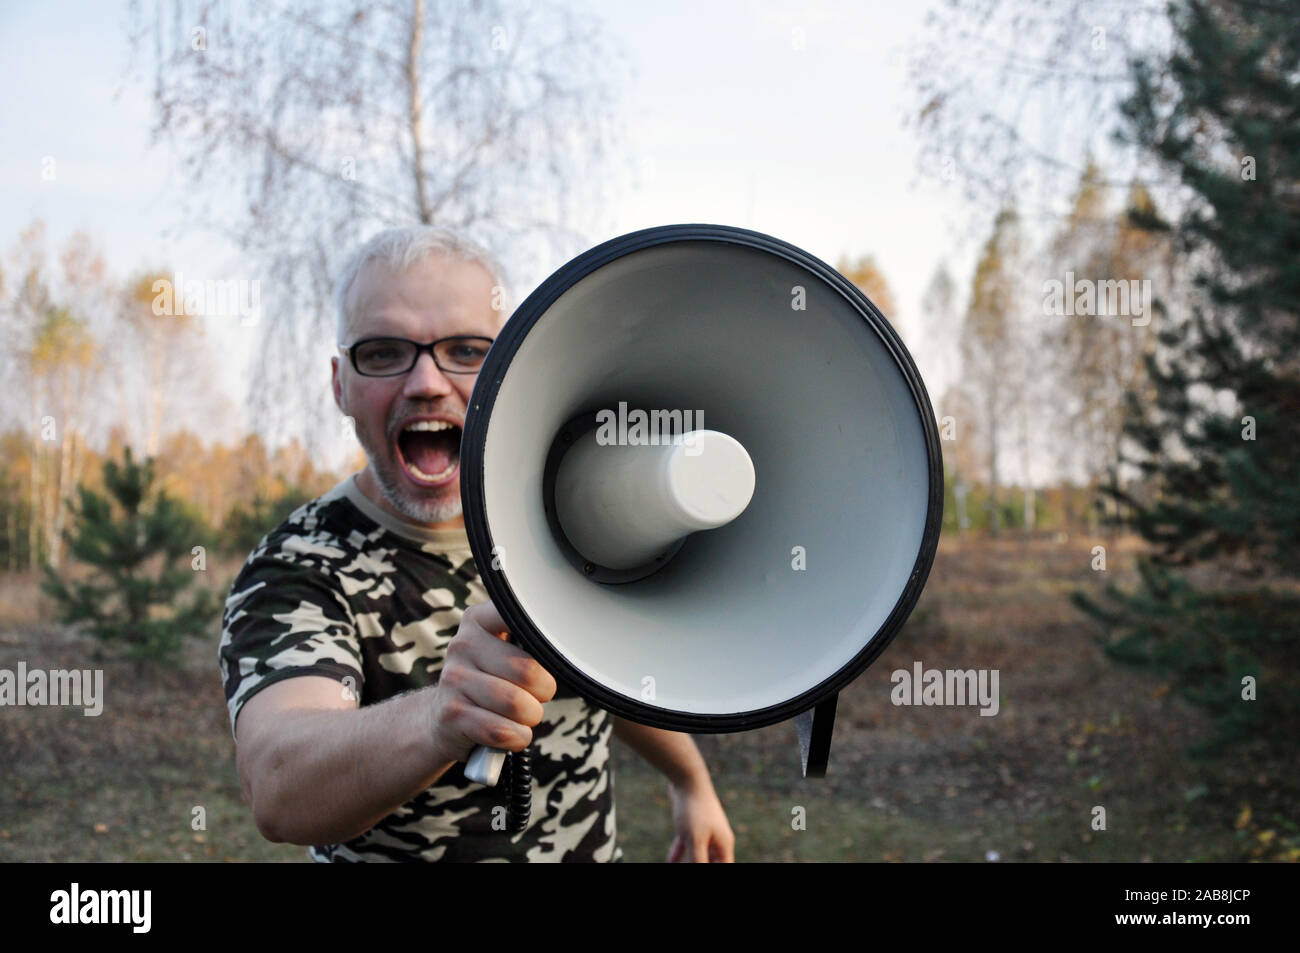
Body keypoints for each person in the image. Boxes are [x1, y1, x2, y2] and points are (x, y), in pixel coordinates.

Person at [218, 226, 736, 862]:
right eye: (383, 353)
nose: (428, 383)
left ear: (509, 370)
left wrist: (690, 779)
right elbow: (279, 783)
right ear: (339, 385)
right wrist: (441, 717)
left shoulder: (574, 519)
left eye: (466, 350)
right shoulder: (298, 566)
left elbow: (613, 664)